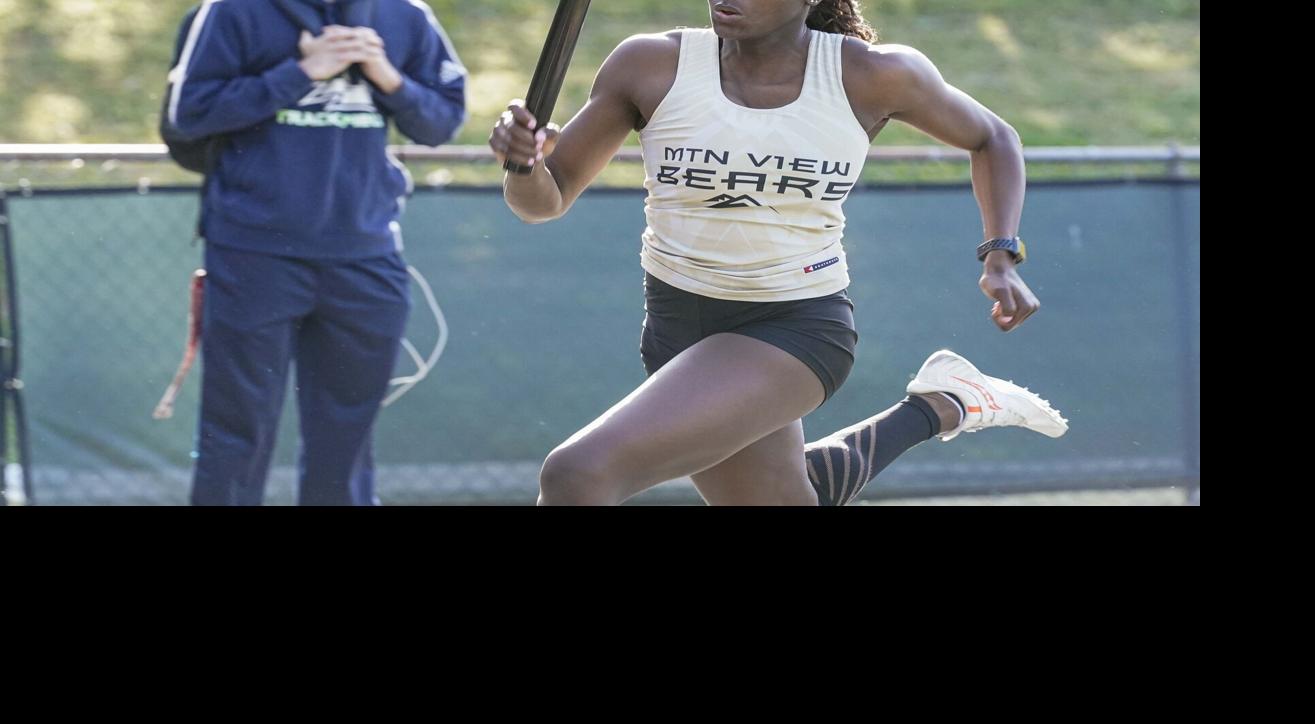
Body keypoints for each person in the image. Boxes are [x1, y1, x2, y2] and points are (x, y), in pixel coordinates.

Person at [490, 0, 1065, 506]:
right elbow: (544, 201)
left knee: (577, 475)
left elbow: (994, 137)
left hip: (793, 327)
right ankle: (943, 406)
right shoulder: (650, 65)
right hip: (675, 328)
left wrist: (1000, 255)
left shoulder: (870, 75)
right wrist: (524, 165)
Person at [169, 0, 467, 505]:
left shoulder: (406, 15)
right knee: (236, 428)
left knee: (346, 440)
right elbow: (189, 115)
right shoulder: (232, 11)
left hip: (366, 256)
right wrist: (302, 71)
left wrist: (386, 76)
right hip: (252, 253)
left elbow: (442, 123)